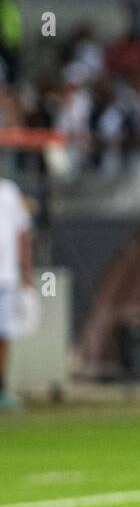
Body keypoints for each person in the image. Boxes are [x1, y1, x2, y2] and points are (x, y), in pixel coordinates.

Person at [0, 174, 32, 411]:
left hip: (7, 277)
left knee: (5, 336)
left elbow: (23, 232)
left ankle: (2, 389)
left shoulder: (10, 191)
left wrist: (26, 276)